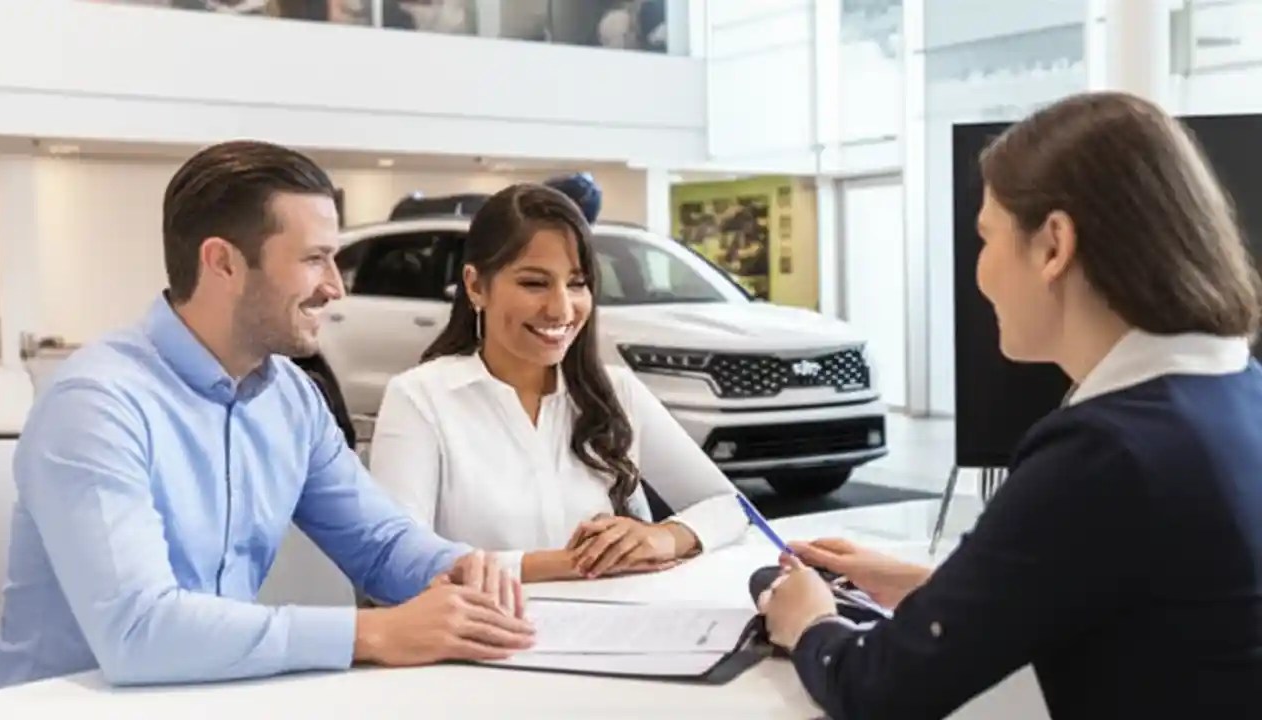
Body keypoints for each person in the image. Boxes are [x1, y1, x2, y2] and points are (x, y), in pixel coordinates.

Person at [759, 91, 1262, 718]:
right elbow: (1136, 595)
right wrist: (938, 590)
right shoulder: (1238, 394)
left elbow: (877, 689)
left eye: (986, 239)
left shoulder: (1102, 454)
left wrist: (809, 622)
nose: (980, 274)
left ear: (1053, 245)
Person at [0, 141, 534, 692]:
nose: (335, 287)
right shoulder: (96, 402)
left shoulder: (290, 397)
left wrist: (458, 566)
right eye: (314, 259)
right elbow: (139, 630)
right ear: (222, 262)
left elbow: (380, 543)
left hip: (210, 697)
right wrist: (371, 634)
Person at [367, 184, 747, 583]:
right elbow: (400, 561)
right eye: (535, 283)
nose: (561, 309)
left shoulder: (617, 393)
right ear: (476, 286)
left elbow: (729, 507)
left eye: (577, 283)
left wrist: (665, 537)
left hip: (620, 632)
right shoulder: (420, 398)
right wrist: (566, 564)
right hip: (488, 636)